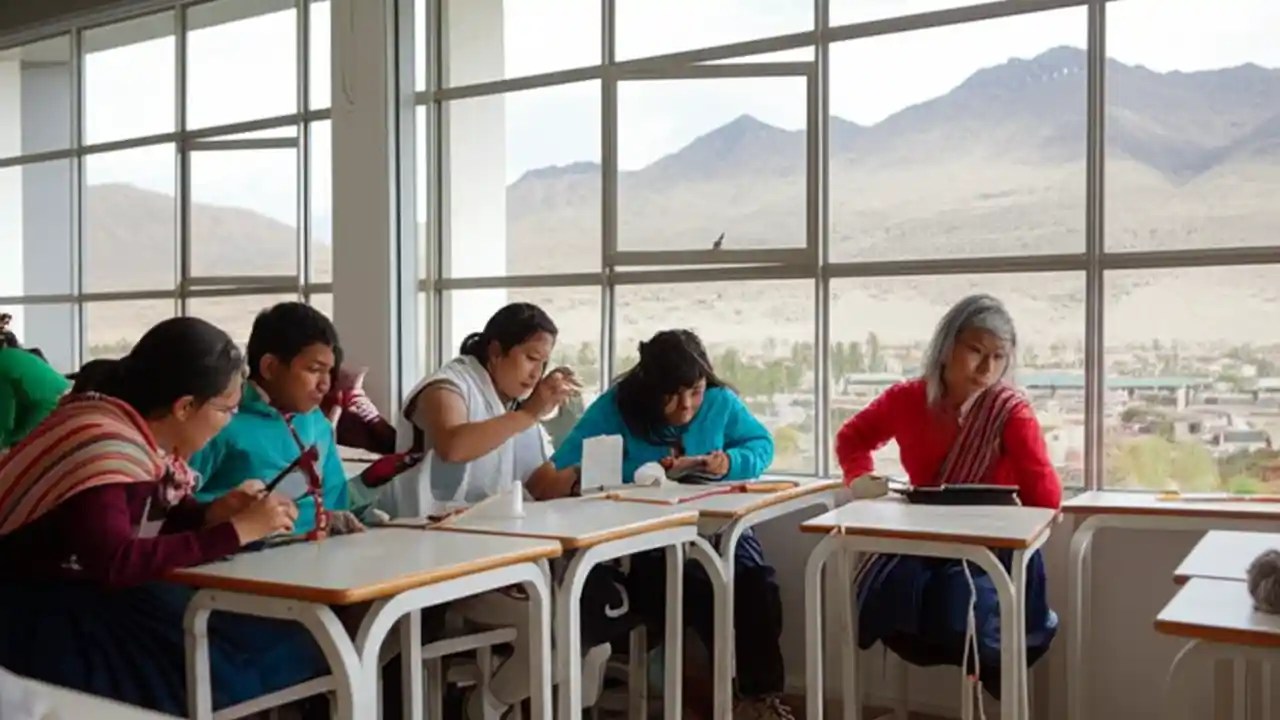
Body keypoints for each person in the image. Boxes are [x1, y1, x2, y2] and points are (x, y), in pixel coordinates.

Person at [0, 317, 321, 715]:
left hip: (86, 599)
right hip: (39, 619)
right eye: (226, 409)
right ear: (185, 406)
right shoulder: (101, 443)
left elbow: (141, 520)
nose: (228, 423)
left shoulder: (130, 438)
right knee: (222, 662)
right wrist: (236, 532)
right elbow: (115, 560)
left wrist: (210, 516)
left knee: (274, 642)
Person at [386, 302, 632, 718]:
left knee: (588, 635)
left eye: (544, 362)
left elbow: (541, 483)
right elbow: (454, 445)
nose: (536, 373)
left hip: (490, 556)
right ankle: (482, 708)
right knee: (560, 638)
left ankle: (495, 704)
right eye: (530, 358)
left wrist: (591, 468)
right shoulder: (448, 385)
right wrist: (533, 412)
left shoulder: (514, 411)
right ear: (496, 351)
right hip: (424, 558)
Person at [545, 329, 790, 720]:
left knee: (757, 583)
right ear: (649, 388)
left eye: (694, 391)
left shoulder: (720, 401)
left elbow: (761, 445)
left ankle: (758, 699)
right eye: (673, 395)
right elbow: (567, 464)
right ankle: (723, 696)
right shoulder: (615, 408)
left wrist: (730, 462)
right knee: (701, 589)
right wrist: (639, 473)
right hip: (646, 540)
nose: (686, 405)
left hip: (718, 526)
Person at [834, 294, 1061, 700]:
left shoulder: (1010, 412)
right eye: (975, 351)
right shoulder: (907, 399)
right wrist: (859, 478)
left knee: (964, 603)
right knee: (886, 598)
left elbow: (1045, 500)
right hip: (925, 542)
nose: (986, 368)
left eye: (998, 357)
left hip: (991, 548)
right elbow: (852, 437)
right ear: (946, 347)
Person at [190, 302, 357, 535]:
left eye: (329, 371)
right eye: (313, 369)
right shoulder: (220, 421)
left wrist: (368, 485)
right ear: (270, 367)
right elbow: (175, 511)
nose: (325, 384)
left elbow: (336, 499)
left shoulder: (317, 423)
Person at [0, 313, 71, 451]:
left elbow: (4, 425)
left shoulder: (2, 366)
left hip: (54, 409)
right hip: (65, 402)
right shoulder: (14, 355)